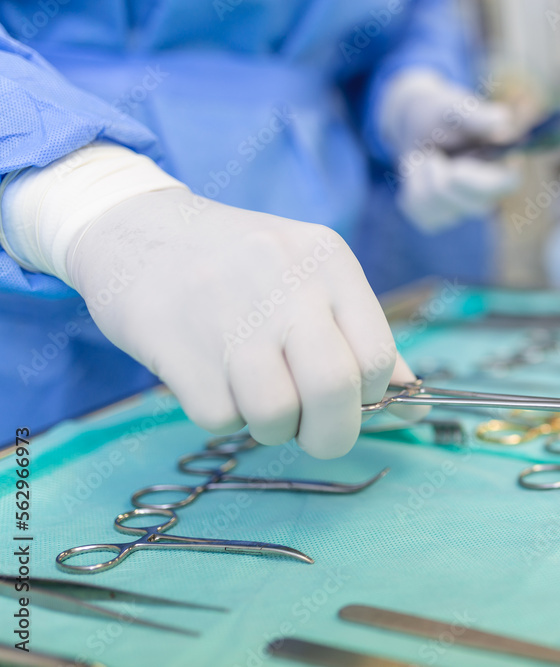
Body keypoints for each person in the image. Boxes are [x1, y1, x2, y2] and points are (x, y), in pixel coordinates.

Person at [0, 0, 519, 456]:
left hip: (321, 194)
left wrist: (408, 91)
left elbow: (403, 19)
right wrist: (81, 191)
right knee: (46, 498)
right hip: (40, 305)